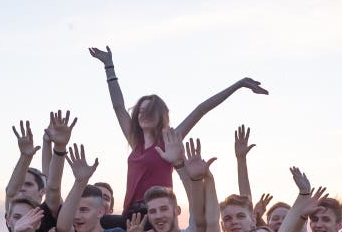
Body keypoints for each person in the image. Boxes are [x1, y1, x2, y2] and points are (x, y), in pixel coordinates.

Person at [88, 45, 268, 219]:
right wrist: (108, 66)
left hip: (156, 213)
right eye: (141, 111)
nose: (144, 115)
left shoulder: (169, 141)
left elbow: (201, 109)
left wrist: (239, 85)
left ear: (160, 116)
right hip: (130, 215)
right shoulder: (136, 142)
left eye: (150, 111)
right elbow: (119, 107)